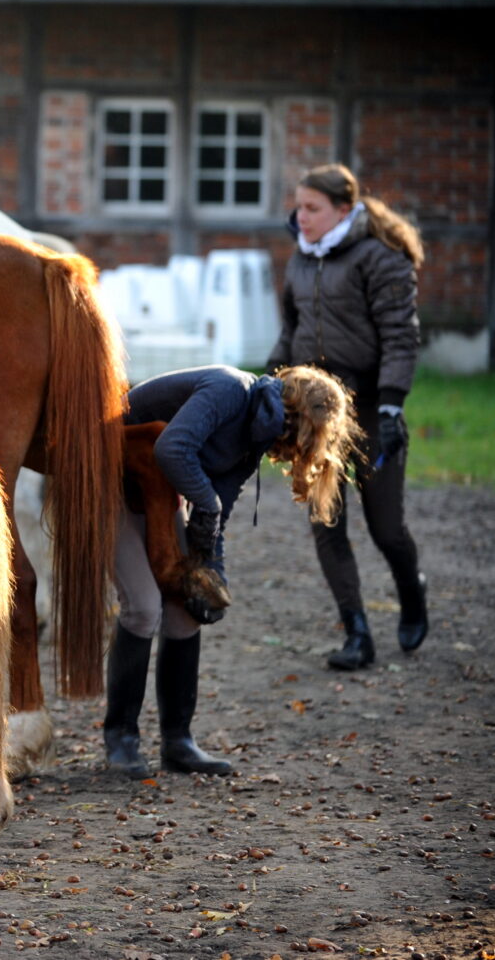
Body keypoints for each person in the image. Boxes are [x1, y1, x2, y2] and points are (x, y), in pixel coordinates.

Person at [104, 364, 359, 779]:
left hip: (157, 492)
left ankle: (178, 741)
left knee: (187, 610)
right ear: (304, 426)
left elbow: (217, 511)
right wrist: (207, 503)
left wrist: (214, 575)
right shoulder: (229, 390)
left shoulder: (255, 436)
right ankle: (121, 739)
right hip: (109, 476)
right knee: (145, 606)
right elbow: (173, 448)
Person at [266, 163, 427, 671]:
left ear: (343, 209)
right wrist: (270, 387)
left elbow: (401, 336)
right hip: (316, 413)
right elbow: (291, 330)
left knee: (386, 528)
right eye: (299, 207)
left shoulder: (381, 257)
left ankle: (411, 588)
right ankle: (357, 630)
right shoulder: (301, 258)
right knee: (326, 522)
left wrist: (393, 403)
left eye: (313, 208)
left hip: (371, 407)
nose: (302, 217)